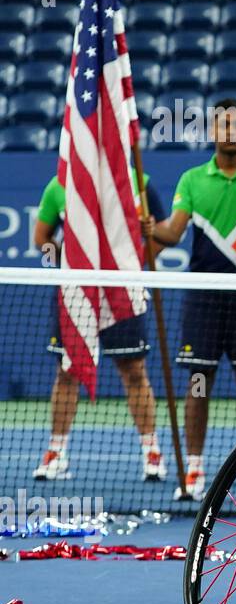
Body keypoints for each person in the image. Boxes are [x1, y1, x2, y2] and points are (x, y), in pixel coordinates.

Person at [148, 99, 236, 498]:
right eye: (222, 124)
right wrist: (150, 228)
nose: (229, 130)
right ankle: (193, 469)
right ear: (212, 132)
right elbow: (172, 234)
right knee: (198, 381)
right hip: (203, 299)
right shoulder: (192, 179)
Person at [33, 171, 169, 481]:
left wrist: (137, 261)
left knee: (133, 370)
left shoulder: (141, 182)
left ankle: (151, 451)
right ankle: (56, 451)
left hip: (123, 291)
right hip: (76, 293)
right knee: (67, 371)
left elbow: (162, 234)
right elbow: (41, 238)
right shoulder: (59, 184)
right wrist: (63, 262)